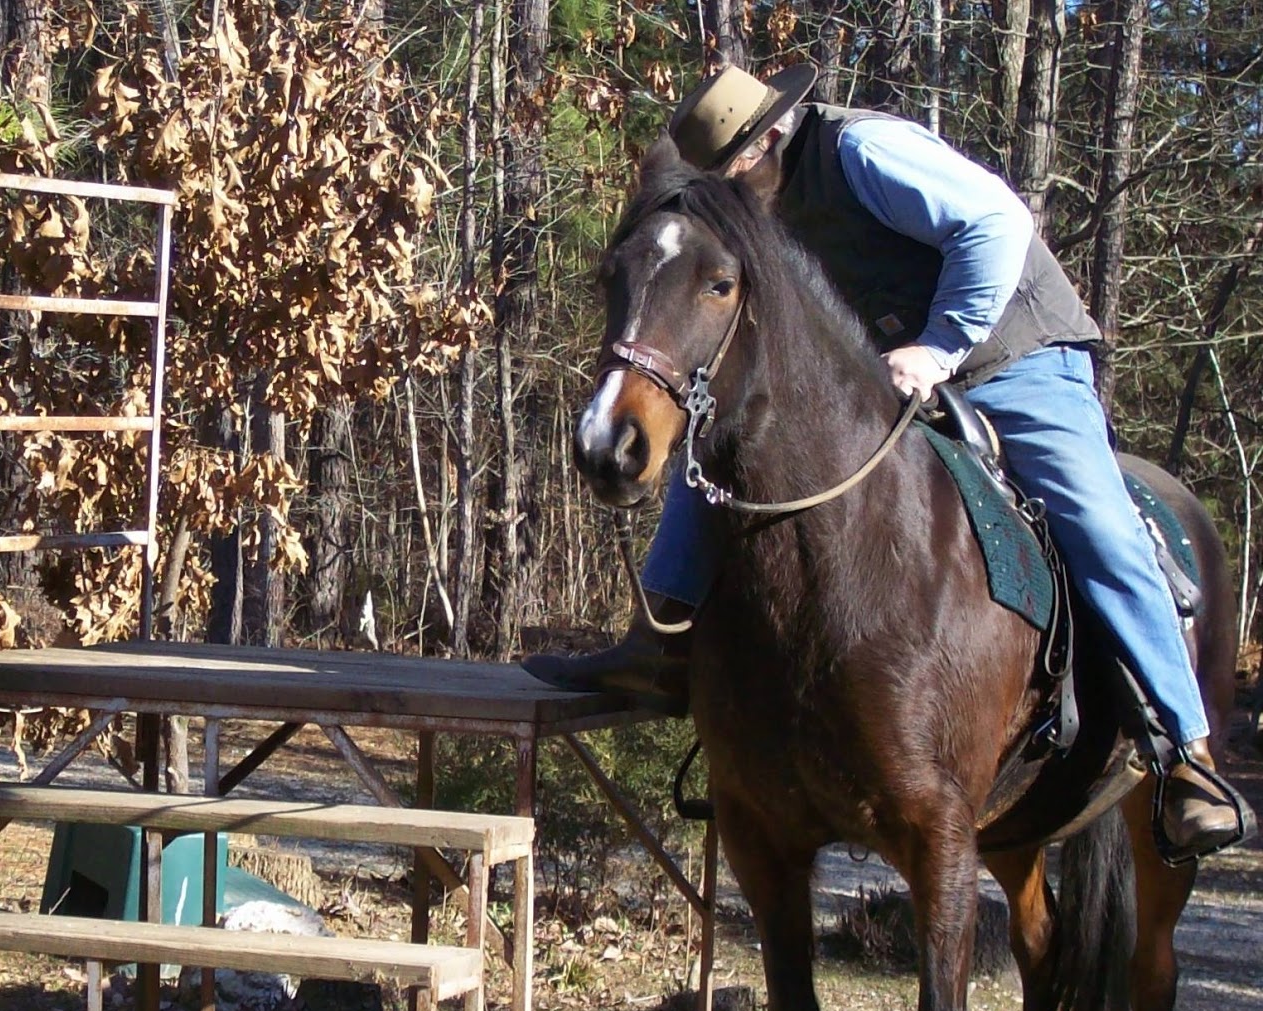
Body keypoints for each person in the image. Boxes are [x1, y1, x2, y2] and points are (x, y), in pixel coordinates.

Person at [523, 60, 1245, 859]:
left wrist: (938, 349)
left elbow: (997, 224)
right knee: (725, 443)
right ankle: (657, 643)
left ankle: (1186, 755)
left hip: (1012, 356)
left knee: (1095, 522)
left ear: (766, 142)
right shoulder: (756, 212)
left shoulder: (864, 152)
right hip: (889, 373)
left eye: (725, 182)